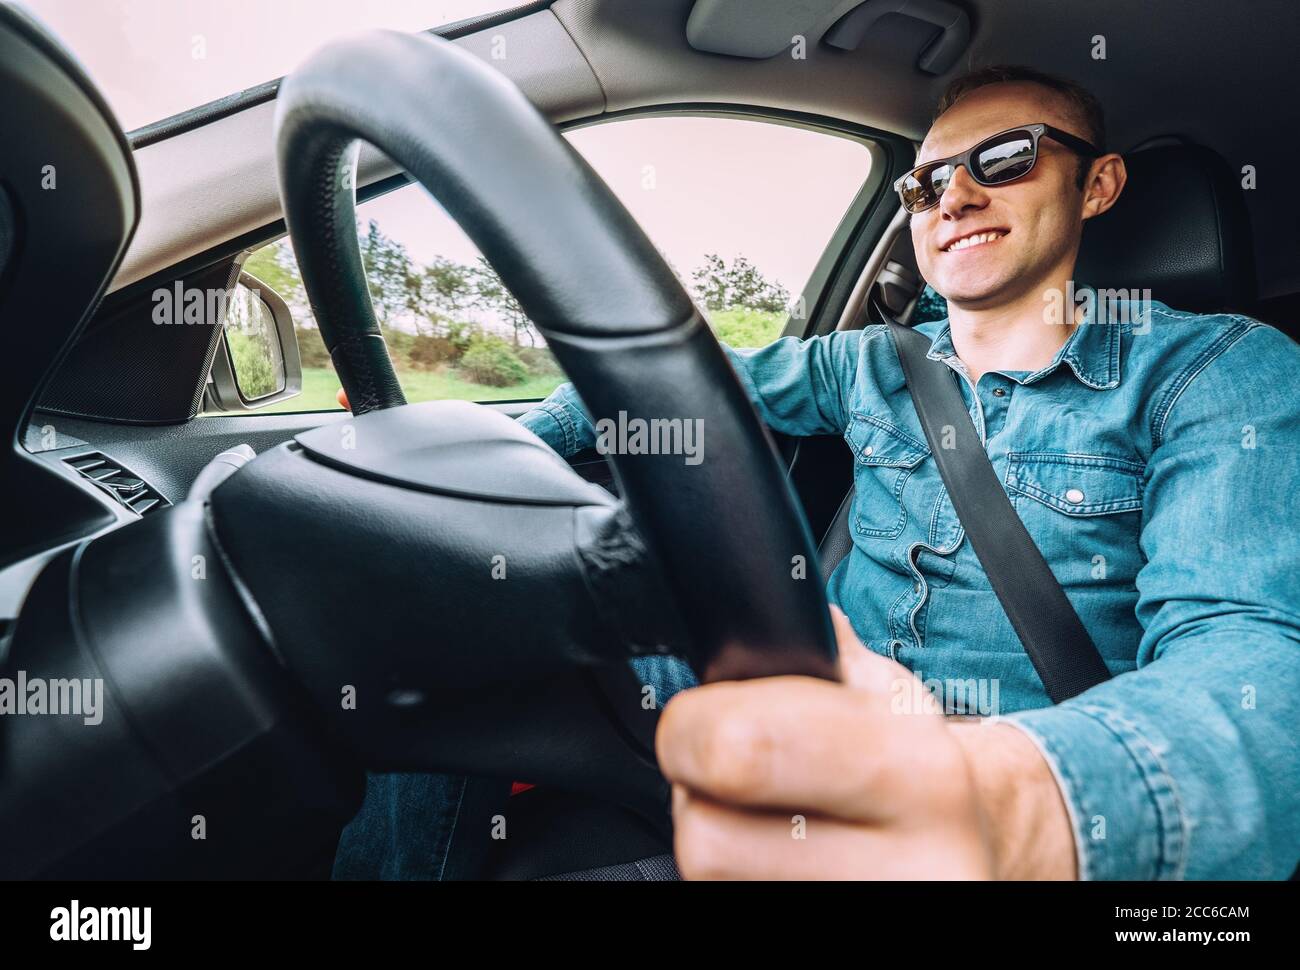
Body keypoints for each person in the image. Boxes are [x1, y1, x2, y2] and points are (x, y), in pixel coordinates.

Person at [335, 65, 1300, 880]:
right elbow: (674, 388)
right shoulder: (872, 363)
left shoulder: (1216, 372)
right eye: (923, 186)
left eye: (1004, 159)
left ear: (1097, 186)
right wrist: (494, 454)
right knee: (444, 619)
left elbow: (1255, 665)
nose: (953, 197)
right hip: (788, 680)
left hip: (996, 783)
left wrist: (1005, 803)